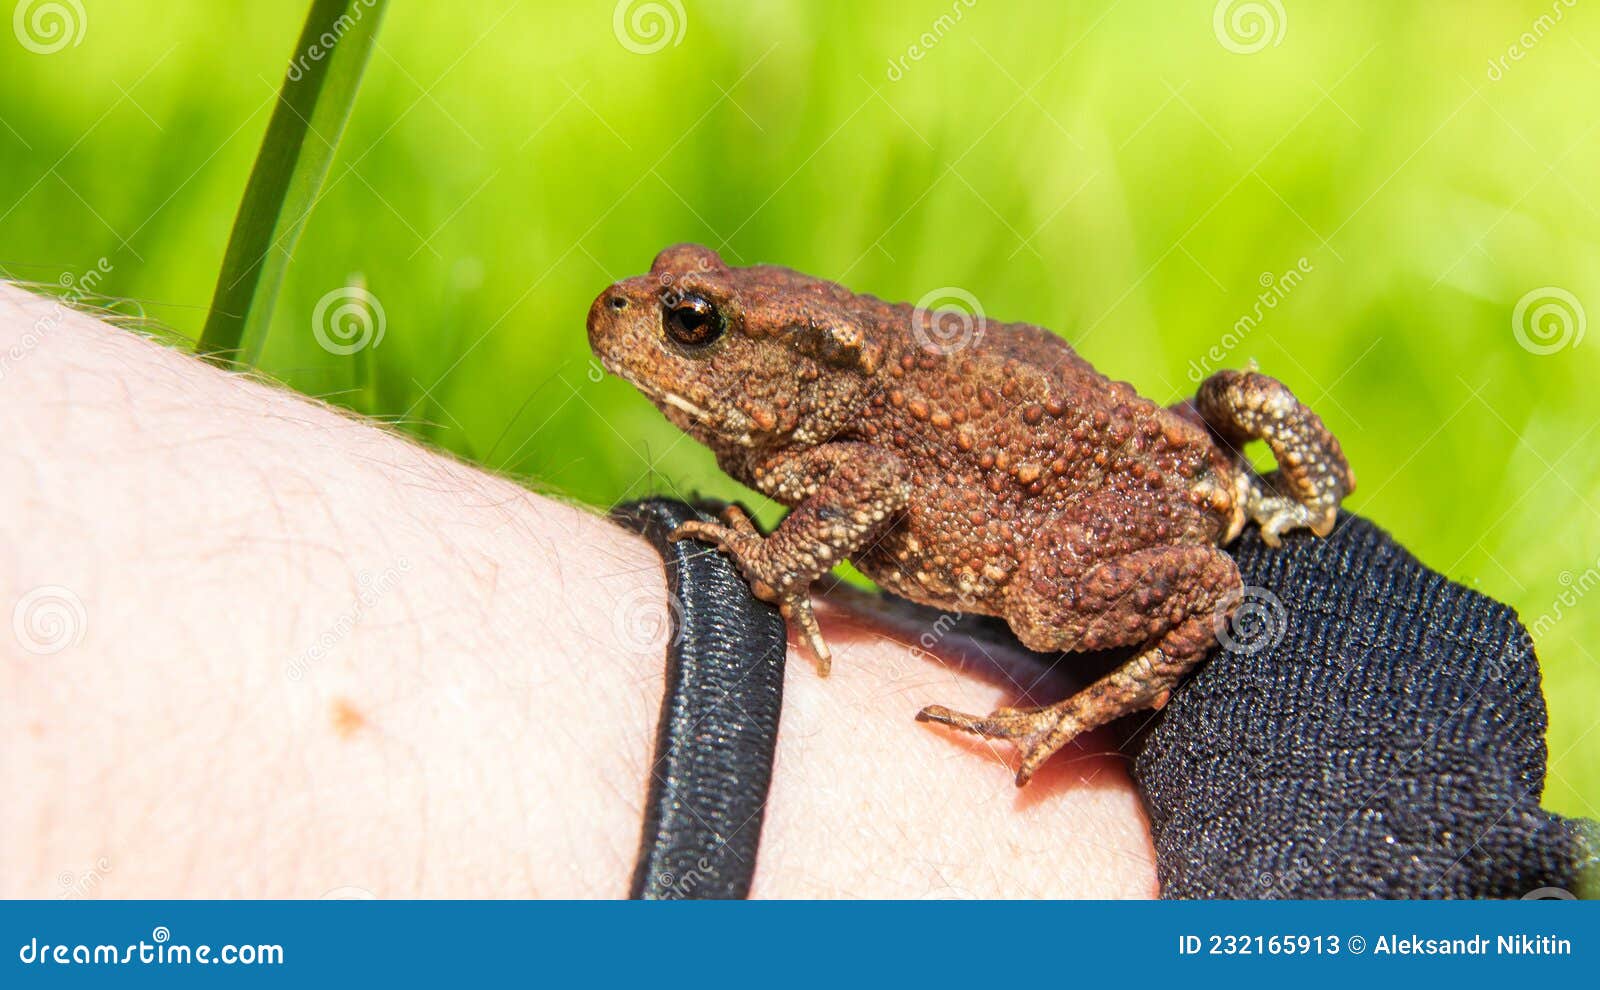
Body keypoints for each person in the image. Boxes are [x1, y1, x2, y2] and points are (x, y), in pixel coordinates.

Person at [1, 284, 1589, 898]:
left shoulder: (847, 426)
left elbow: (889, 489)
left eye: (694, 325)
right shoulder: (833, 409)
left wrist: (767, 567)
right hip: (1117, 454)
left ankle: (1128, 686)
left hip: (1085, 498)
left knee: (1054, 597)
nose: (648, 333)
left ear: (771, 352)